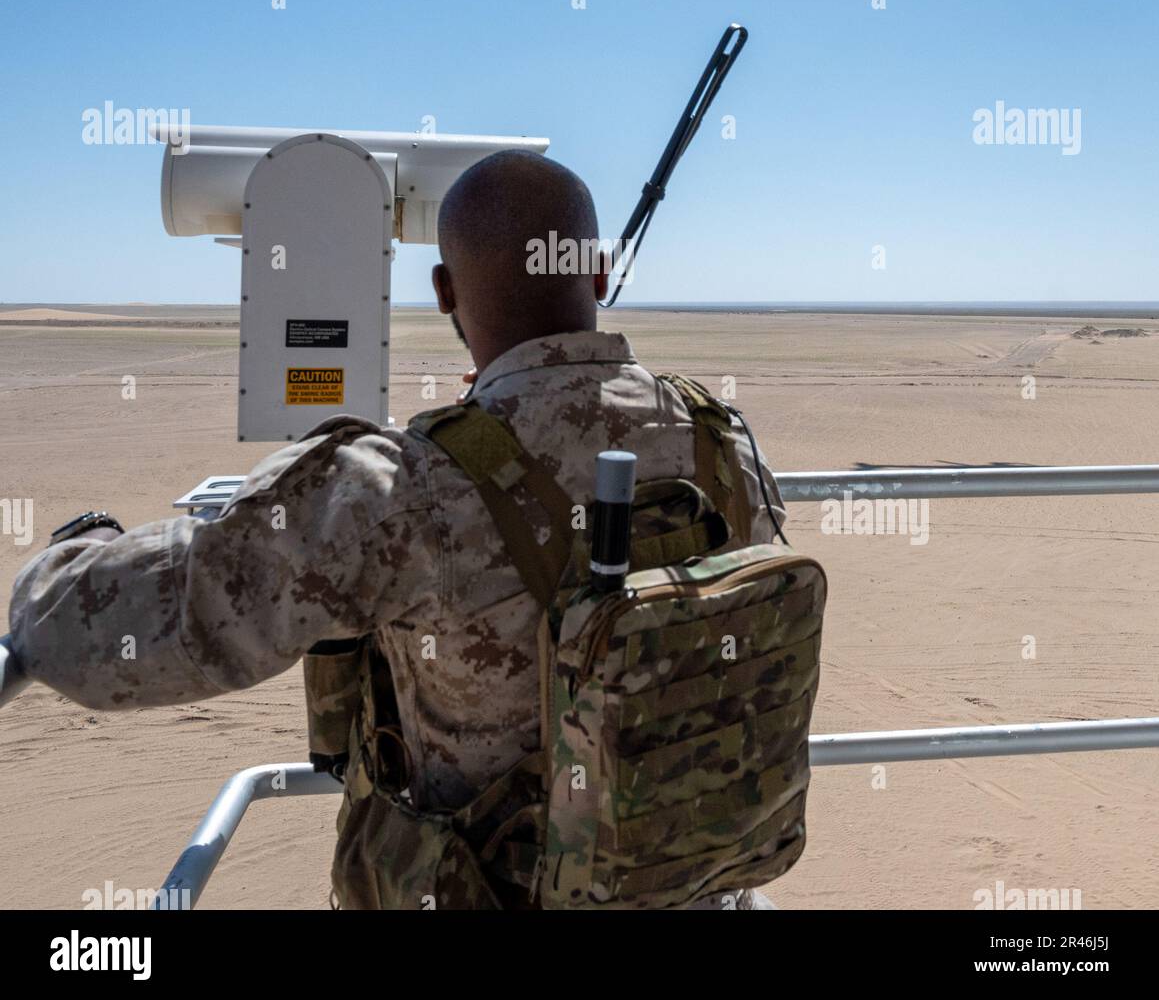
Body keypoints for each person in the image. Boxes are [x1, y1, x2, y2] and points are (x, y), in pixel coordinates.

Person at [8, 150, 788, 908]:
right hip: (696, 886)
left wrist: (69, 560)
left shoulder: (405, 485)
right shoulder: (720, 438)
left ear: (445, 291)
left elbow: (131, 628)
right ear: (599, 272)